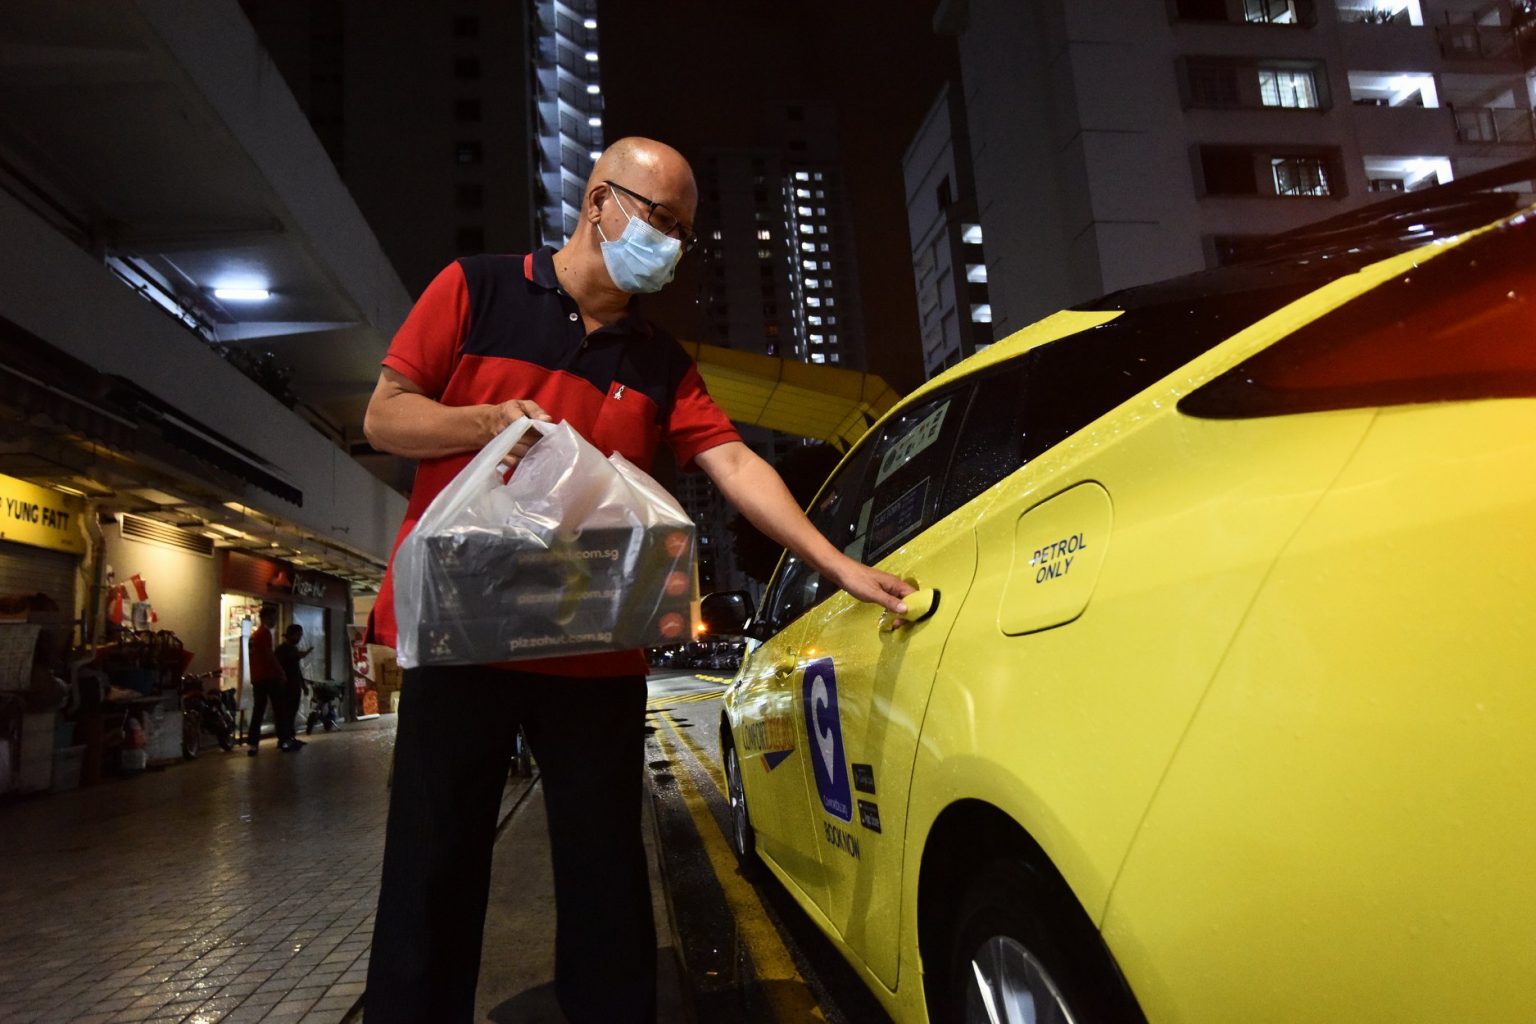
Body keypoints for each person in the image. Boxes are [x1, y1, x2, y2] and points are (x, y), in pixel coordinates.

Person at [360, 137, 913, 1024]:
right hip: (464, 636)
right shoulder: (477, 289)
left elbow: (732, 462)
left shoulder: (660, 361)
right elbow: (385, 415)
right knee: (432, 866)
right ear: (598, 201)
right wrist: (487, 420)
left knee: (608, 874)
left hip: (591, 649)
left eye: (682, 232)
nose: (667, 242)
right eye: (657, 217)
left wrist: (839, 565)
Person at [245, 605, 287, 755]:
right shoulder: (265, 634)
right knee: (278, 708)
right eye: (272, 617)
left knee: (258, 710)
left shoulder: (254, 636)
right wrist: (281, 672)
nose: (275, 620)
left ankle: (253, 743)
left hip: (257, 678)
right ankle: (283, 740)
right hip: (269, 676)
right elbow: (269, 655)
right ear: (265, 618)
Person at [274, 624, 311, 751]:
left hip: (293, 686)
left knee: (291, 713)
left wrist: (303, 685)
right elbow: (286, 664)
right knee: (285, 713)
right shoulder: (283, 650)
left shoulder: (291, 649)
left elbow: (297, 669)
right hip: (285, 687)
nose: (300, 638)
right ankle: (285, 739)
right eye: (298, 635)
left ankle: (290, 738)